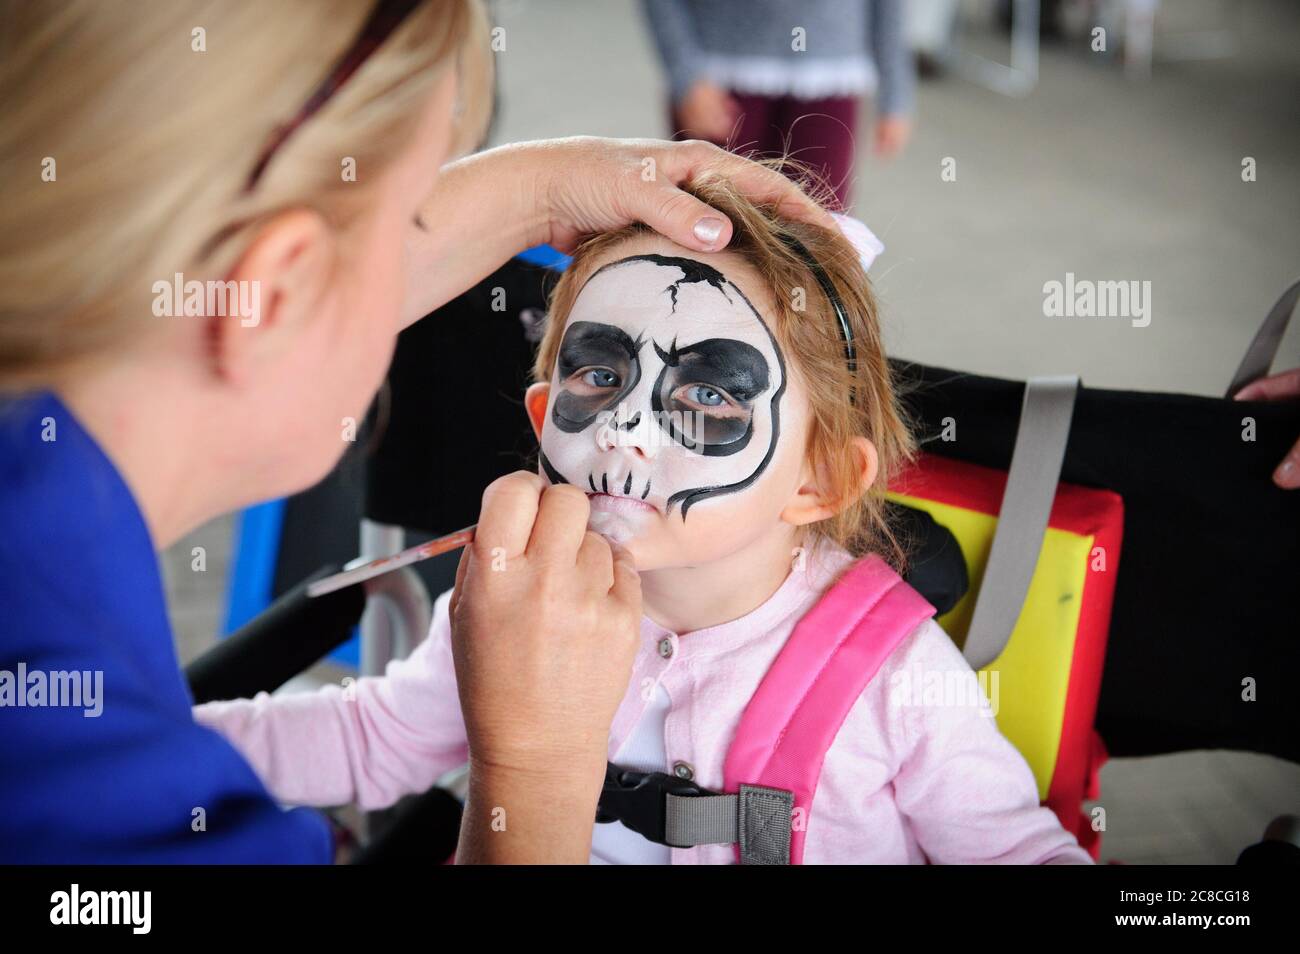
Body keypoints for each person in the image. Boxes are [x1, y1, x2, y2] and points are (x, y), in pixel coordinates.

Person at [0, 0, 832, 864]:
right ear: (275, 294)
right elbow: (372, 735)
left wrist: (537, 188)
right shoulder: (106, 814)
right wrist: (534, 768)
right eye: (412, 220)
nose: (626, 433)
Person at [195, 173, 1091, 864]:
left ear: (817, 481)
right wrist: (147, 746)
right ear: (545, 420)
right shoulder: (523, 608)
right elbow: (375, 737)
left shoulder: (897, 683)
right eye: (599, 376)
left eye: (706, 393)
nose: (624, 426)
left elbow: (1016, 851)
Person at [642, 0, 915, 208]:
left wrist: (896, 95)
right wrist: (686, 74)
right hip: (719, 73)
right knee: (714, 223)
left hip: (831, 74)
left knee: (820, 229)